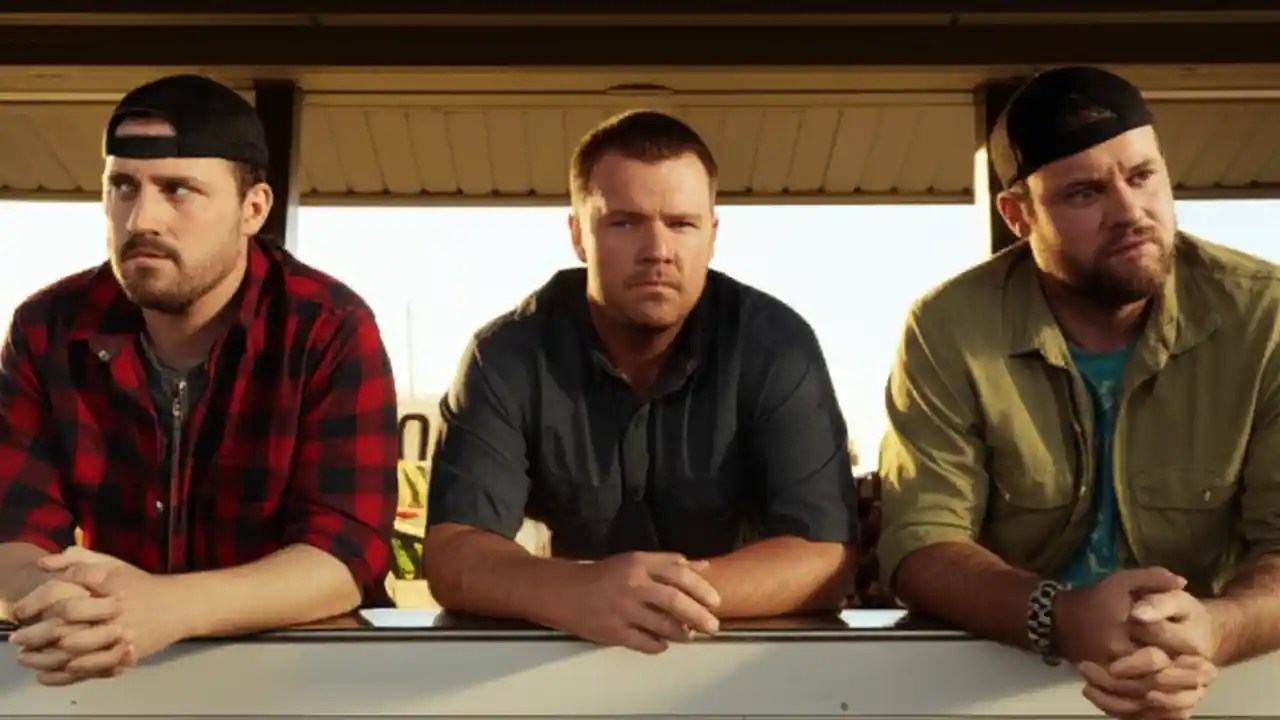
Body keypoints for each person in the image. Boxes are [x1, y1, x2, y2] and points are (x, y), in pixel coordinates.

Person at [878, 65, 1280, 718]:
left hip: (1218, 689)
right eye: (1085, 194)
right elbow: (920, 542)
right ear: (1017, 215)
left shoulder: (1266, 317)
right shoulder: (948, 329)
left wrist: (1214, 629)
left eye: (1143, 175)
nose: (1130, 212)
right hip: (993, 686)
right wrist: (1059, 616)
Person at [0, 74, 400, 686]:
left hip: (304, 676)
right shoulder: (47, 328)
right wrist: (72, 604)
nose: (142, 219)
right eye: (123, 187)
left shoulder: (327, 327)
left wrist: (168, 607)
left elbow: (345, 554)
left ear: (254, 209)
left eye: (178, 189)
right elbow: (14, 530)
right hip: (114, 670)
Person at [422, 110, 856, 654]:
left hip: (745, 660)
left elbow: (825, 557)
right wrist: (579, 590)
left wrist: (641, 597)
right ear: (579, 235)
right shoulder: (507, 354)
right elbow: (454, 552)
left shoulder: (776, 346)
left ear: (713, 236)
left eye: (682, 223)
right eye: (624, 222)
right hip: (567, 655)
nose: (657, 250)